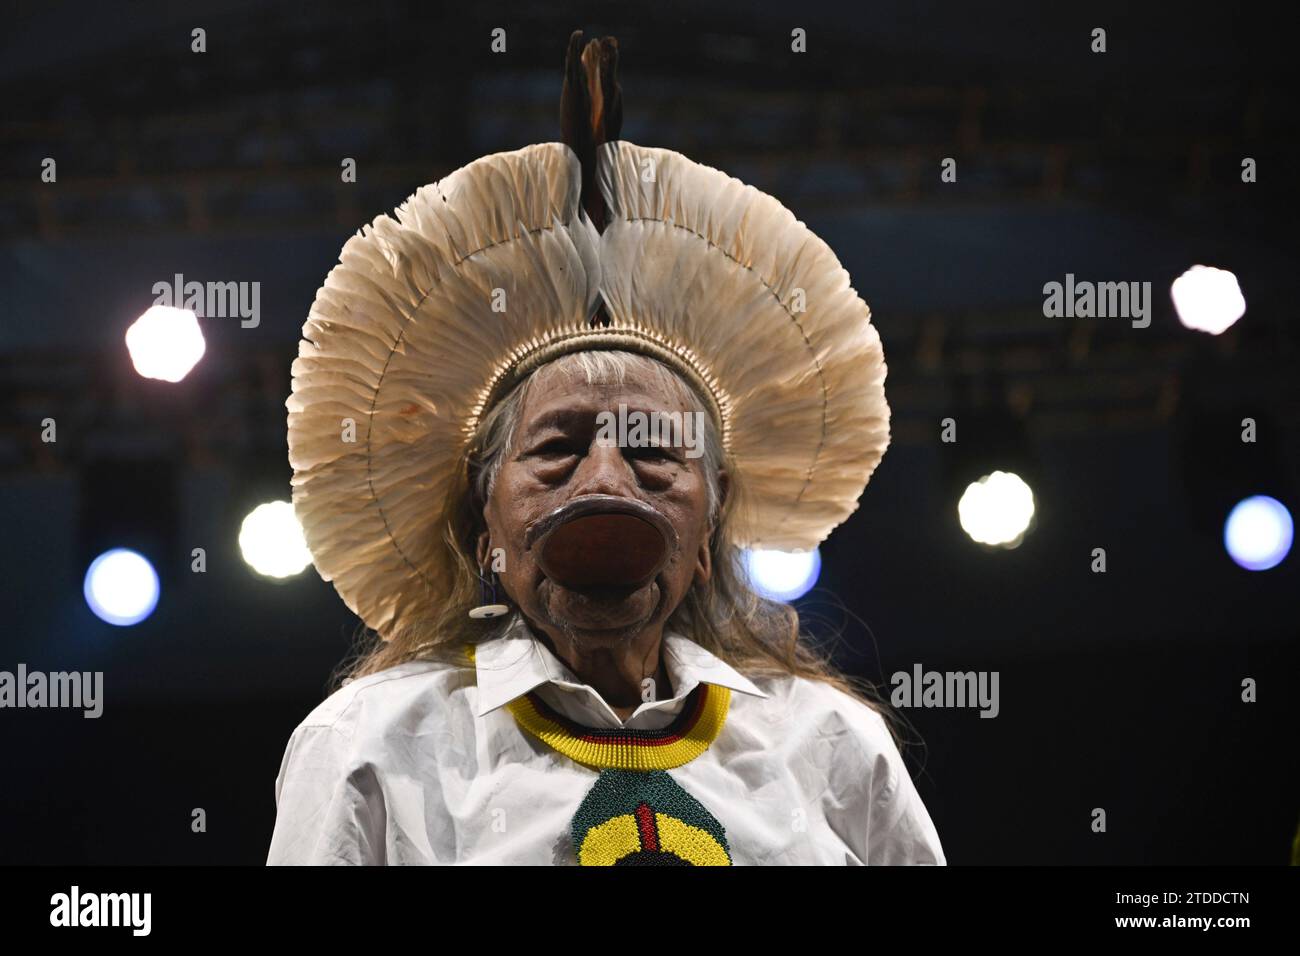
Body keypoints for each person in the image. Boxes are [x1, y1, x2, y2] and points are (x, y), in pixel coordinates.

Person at [267, 32, 944, 866]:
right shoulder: (369, 744)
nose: (606, 482)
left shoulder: (831, 744)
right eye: (556, 448)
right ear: (486, 525)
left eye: (656, 452)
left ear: (712, 524)